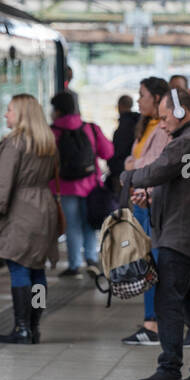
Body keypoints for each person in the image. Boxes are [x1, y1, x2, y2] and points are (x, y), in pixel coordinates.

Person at [123, 88, 190, 380]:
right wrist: (153, 199)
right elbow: (183, 185)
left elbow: (157, 170)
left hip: (180, 239)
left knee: (169, 306)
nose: (162, 124)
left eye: (165, 118)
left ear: (181, 112)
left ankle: (169, 369)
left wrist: (129, 179)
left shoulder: (189, 142)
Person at [0, 94, 61, 345]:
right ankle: (35, 325)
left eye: (9, 110)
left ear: (21, 114)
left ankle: (21, 327)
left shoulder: (15, 143)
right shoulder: (46, 142)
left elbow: (3, 182)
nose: (5, 115)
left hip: (20, 209)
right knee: (37, 269)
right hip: (44, 207)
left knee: (18, 268)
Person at [120, 77, 172, 346]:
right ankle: (151, 320)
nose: (138, 100)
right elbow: (135, 161)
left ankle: (153, 323)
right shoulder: (147, 125)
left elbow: (153, 165)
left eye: (142, 95)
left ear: (157, 98)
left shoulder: (163, 129)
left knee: (152, 263)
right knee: (146, 262)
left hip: (151, 202)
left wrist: (133, 167)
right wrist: (134, 166)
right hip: (140, 201)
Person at [50, 91, 114, 277]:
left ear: (58, 110)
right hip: (90, 185)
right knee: (89, 223)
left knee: (72, 226)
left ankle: (74, 264)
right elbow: (108, 152)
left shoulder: (53, 132)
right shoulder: (90, 128)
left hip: (64, 187)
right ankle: (91, 259)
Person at [107, 94, 139, 198]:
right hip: (136, 171)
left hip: (121, 172)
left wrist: (112, 166)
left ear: (120, 106)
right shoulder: (139, 122)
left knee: (123, 206)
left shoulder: (123, 128)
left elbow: (116, 151)